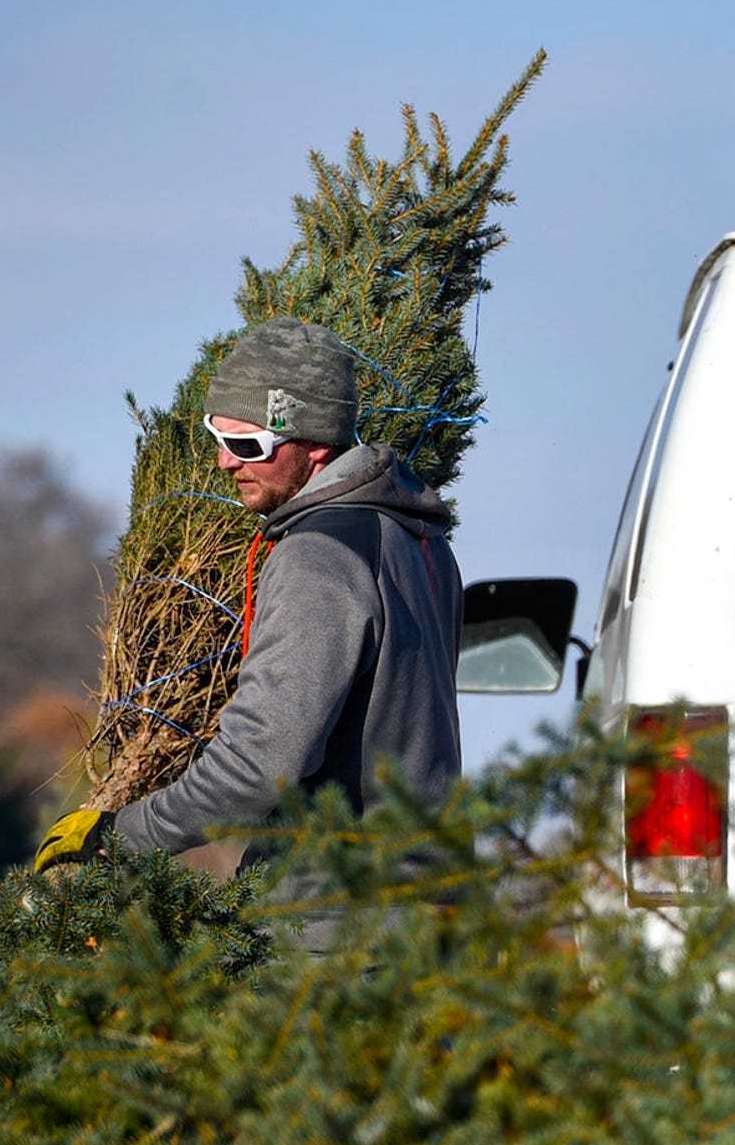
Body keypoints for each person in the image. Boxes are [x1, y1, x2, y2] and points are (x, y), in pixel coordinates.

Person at [36, 318, 462, 951]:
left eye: (252, 446)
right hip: (427, 922)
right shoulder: (421, 546)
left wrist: (118, 835)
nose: (225, 462)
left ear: (315, 442)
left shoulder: (318, 556)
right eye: (219, 436)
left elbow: (261, 763)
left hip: (333, 932)